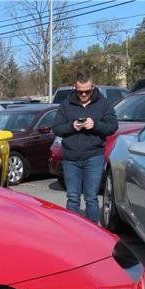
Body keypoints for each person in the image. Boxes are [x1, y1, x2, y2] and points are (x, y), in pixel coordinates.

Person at [52, 69, 118, 223]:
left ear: (93, 87)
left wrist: (95, 125)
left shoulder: (104, 104)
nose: (83, 95)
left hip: (93, 156)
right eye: (80, 91)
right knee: (73, 197)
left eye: (87, 91)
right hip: (70, 157)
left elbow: (112, 127)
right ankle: (72, 230)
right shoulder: (65, 104)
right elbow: (56, 128)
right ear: (74, 88)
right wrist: (72, 126)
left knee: (91, 198)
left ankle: (93, 233)